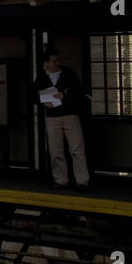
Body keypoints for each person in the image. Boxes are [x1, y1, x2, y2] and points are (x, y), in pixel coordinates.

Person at [33, 50, 90, 191]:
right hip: (52, 116)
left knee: (76, 149)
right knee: (55, 150)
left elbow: (79, 91)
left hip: (70, 114)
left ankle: (82, 181)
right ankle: (61, 179)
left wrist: (65, 96)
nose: (58, 63)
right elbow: (33, 95)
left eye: (58, 60)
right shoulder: (41, 78)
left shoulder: (69, 74)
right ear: (46, 63)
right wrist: (42, 103)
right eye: (54, 61)